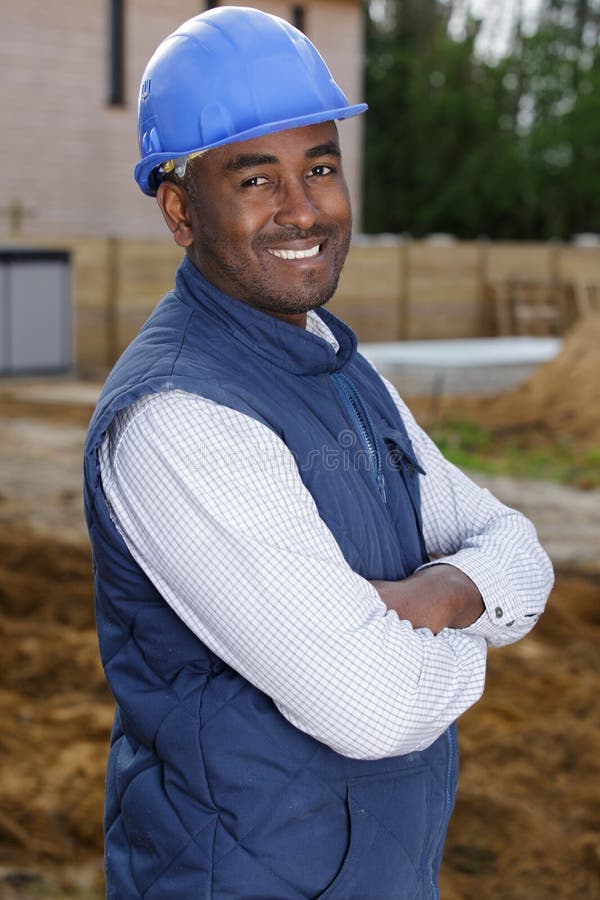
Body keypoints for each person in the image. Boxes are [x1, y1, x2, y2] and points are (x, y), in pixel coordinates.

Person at [83, 7, 553, 898]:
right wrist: (471, 619)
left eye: (321, 167)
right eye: (256, 178)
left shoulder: (340, 364)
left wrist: (443, 592)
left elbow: (519, 550)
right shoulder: (178, 417)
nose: (303, 209)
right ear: (181, 210)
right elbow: (375, 706)